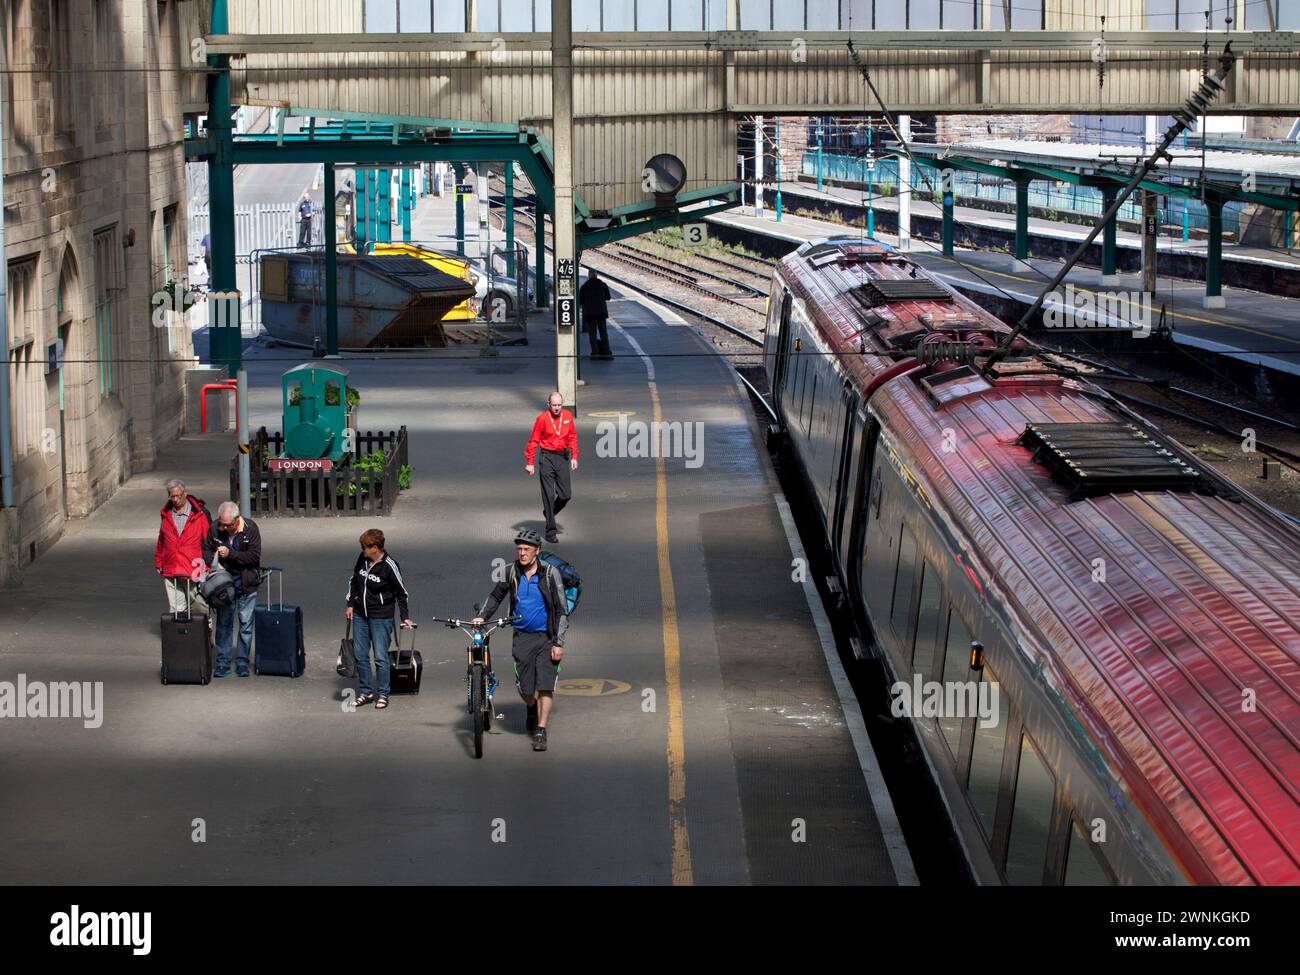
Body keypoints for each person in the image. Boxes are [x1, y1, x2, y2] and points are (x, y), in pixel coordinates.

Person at [475, 529, 568, 752]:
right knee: (525, 690)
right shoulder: (511, 572)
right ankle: (531, 706)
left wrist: (559, 642)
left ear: (537, 551)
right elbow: (496, 596)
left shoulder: (549, 573)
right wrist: (482, 616)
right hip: (522, 638)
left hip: (546, 638)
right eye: (519, 549)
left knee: (545, 686)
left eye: (526, 549)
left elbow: (561, 609)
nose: (522, 553)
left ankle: (541, 730)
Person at [345, 528, 413, 710]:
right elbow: (354, 581)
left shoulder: (390, 566)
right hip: (360, 614)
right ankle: (366, 692)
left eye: (365, 547)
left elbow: (401, 593)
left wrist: (405, 617)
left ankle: (383, 693)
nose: (362, 550)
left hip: (380, 618)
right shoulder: (363, 560)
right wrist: (351, 604)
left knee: (381, 657)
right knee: (360, 655)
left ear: (375, 548)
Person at [201, 501, 262, 678]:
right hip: (223, 586)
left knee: (246, 624)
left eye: (227, 525)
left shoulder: (250, 529)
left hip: (246, 584)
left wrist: (231, 554)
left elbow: (254, 556)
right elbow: (205, 549)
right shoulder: (215, 528)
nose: (223, 527)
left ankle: (242, 661)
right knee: (224, 624)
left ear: (237, 520)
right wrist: (214, 560)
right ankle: (223, 662)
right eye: (222, 523)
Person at [525, 391, 578, 544]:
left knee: (565, 495)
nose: (556, 408)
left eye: (559, 405)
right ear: (548, 404)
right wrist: (530, 462)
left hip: (562, 458)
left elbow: (573, 437)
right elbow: (533, 441)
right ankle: (550, 532)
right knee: (548, 496)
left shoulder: (567, 416)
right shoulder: (542, 419)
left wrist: (574, 456)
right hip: (546, 458)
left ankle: (549, 513)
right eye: (554, 405)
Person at [154, 479, 212, 619]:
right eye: (172, 496)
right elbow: (162, 540)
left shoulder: (199, 515)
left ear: (185, 493)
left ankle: (205, 637)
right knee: (176, 609)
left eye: (178, 495)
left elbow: (209, 542)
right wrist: (158, 561)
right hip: (171, 568)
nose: (175, 499)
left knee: (200, 607)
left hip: (193, 568)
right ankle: (180, 638)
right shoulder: (167, 514)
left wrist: (209, 565)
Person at [579, 269, 612, 359]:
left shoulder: (584, 286)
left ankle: (595, 353)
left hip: (590, 314)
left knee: (592, 334)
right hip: (601, 312)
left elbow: (580, 301)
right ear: (596, 276)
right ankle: (606, 353)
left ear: (589, 276)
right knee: (603, 333)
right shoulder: (602, 284)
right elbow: (608, 297)